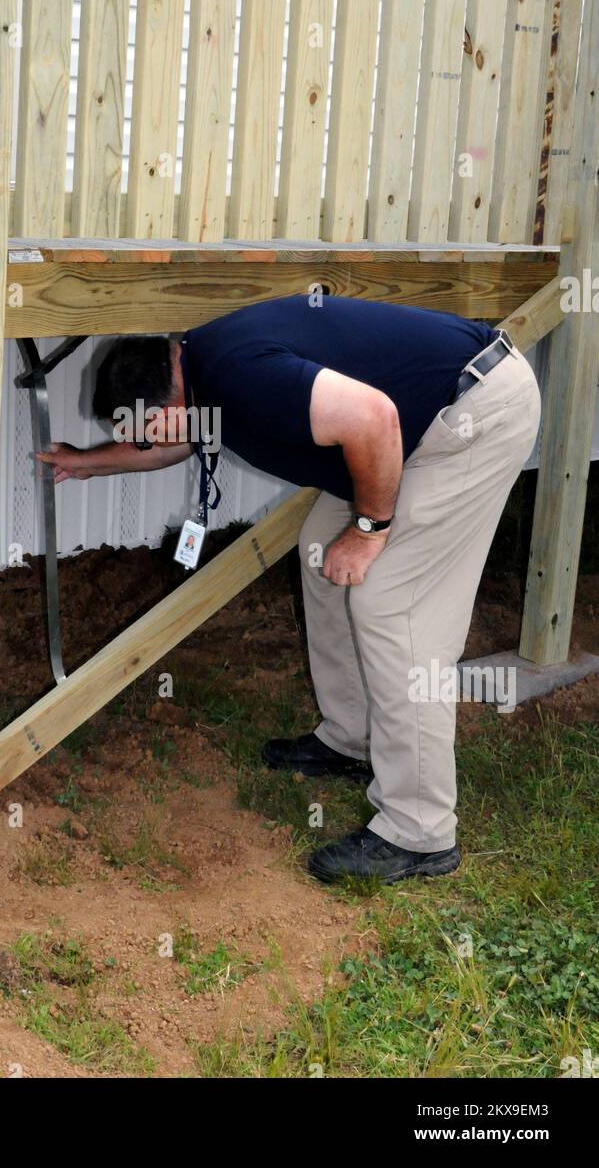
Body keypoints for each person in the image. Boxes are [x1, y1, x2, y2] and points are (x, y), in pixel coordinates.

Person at [38, 294, 541, 883]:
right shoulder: (198, 371)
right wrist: (89, 462)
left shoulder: (242, 374)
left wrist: (371, 530)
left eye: (143, 432)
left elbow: (373, 419)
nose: (147, 443)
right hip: (422, 422)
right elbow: (180, 438)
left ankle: (420, 830)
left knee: (393, 607)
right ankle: (351, 739)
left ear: (169, 399)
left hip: (471, 416)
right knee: (319, 552)